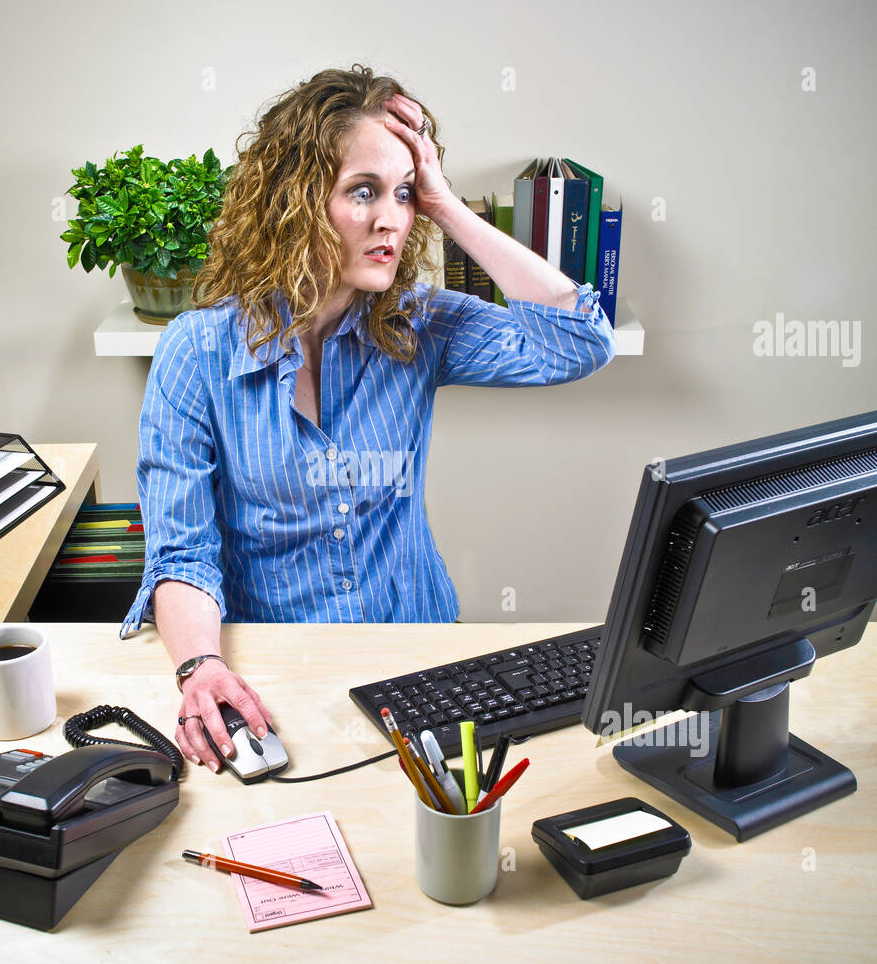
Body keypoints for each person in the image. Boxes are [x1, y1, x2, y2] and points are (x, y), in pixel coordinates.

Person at [121, 65, 616, 772]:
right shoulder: (196, 353)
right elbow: (182, 552)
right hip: (275, 671)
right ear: (295, 202)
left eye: (404, 194)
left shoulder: (419, 322)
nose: (392, 219)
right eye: (363, 192)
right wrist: (200, 667)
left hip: (420, 657)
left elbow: (579, 344)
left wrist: (445, 204)